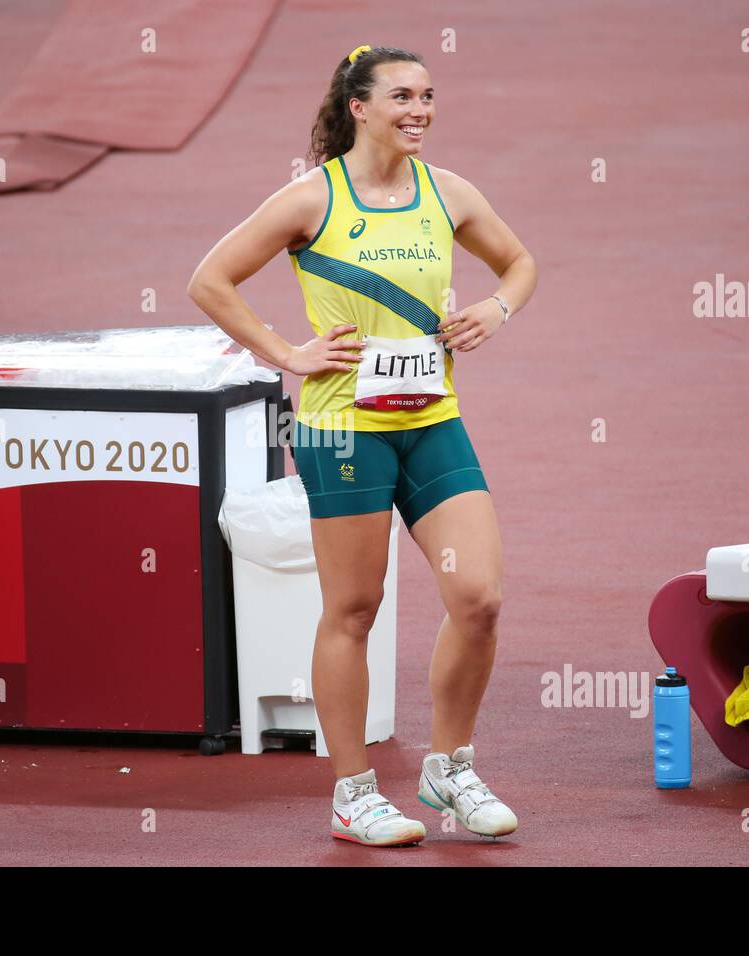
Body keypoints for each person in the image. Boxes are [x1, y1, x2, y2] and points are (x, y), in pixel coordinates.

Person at [188, 43, 537, 846]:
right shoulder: (312, 199)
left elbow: (518, 263)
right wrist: (287, 353)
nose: (421, 110)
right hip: (342, 428)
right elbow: (210, 280)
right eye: (404, 96)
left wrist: (495, 309)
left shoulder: (447, 193)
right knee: (353, 608)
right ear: (359, 106)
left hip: (431, 420)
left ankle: (448, 769)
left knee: (478, 598)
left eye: (429, 96)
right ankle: (352, 793)